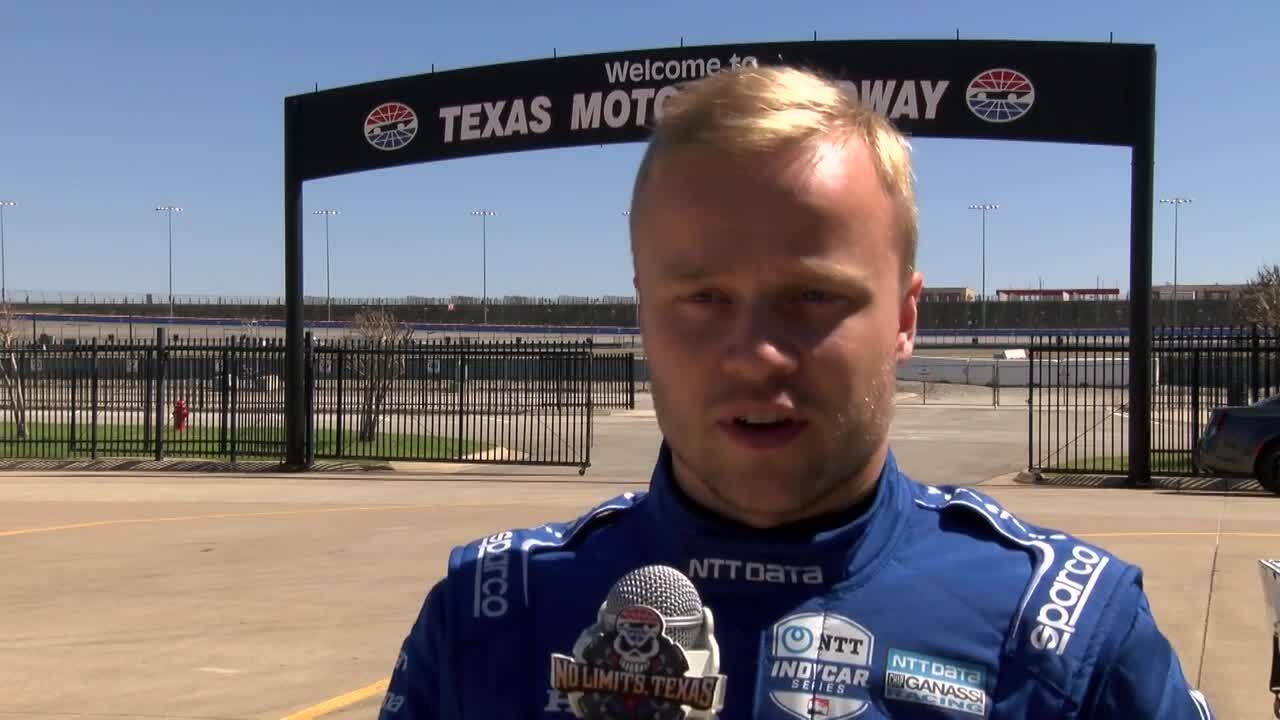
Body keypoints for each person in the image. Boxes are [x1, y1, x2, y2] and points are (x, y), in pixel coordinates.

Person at [377, 65, 1214, 719]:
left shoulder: (1067, 642)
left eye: (813, 296)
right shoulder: (492, 619)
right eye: (704, 299)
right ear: (645, 314)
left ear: (904, 317)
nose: (755, 355)